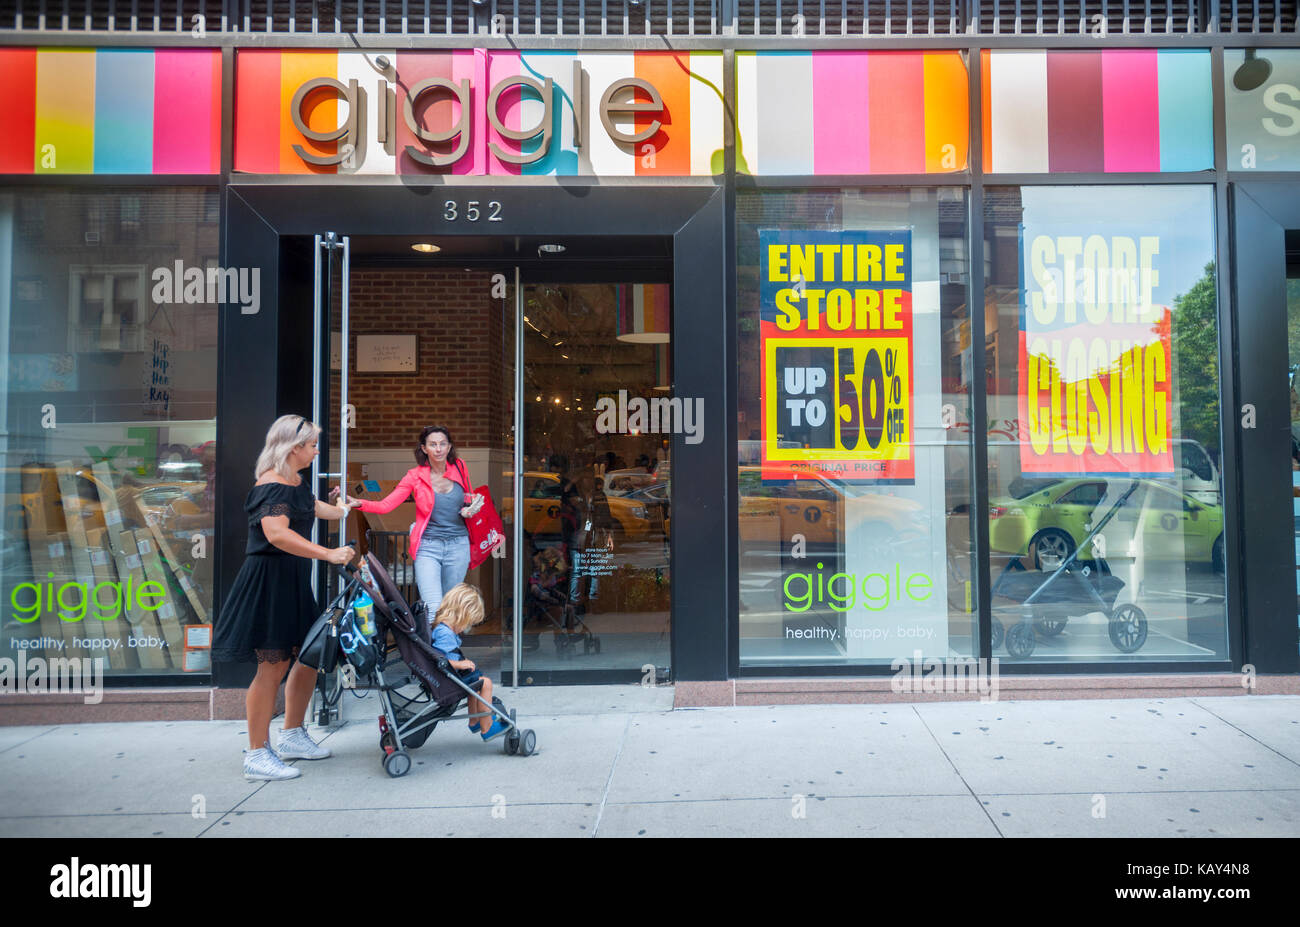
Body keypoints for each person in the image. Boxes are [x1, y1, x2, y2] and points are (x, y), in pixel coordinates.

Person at [212, 414, 355, 782]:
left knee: (306, 658)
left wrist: (345, 507)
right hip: (268, 582)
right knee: (272, 666)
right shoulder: (271, 485)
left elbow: (321, 511)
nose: (316, 450)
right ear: (294, 449)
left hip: (293, 581)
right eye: (312, 445)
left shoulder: (295, 483)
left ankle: (291, 735)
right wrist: (328, 553)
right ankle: (257, 754)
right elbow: (276, 535)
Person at [343, 425, 480, 623]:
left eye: (443, 444)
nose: (439, 449)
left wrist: (469, 508)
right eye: (433, 444)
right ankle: (435, 654)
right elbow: (386, 505)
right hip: (428, 546)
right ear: (424, 448)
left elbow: (468, 496)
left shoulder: (460, 466)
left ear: (449, 447)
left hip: (458, 545)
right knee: (432, 606)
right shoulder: (415, 476)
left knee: (453, 605)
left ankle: (448, 649)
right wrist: (359, 503)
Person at [430, 583, 507, 741]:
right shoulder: (445, 633)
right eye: (467, 622)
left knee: (475, 683)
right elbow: (439, 660)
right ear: (461, 614)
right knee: (485, 684)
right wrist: (460, 664)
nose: (467, 628)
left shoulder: (443, 629)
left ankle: (475, 721)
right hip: (448, 679)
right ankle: (487, 727)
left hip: (451, 677)